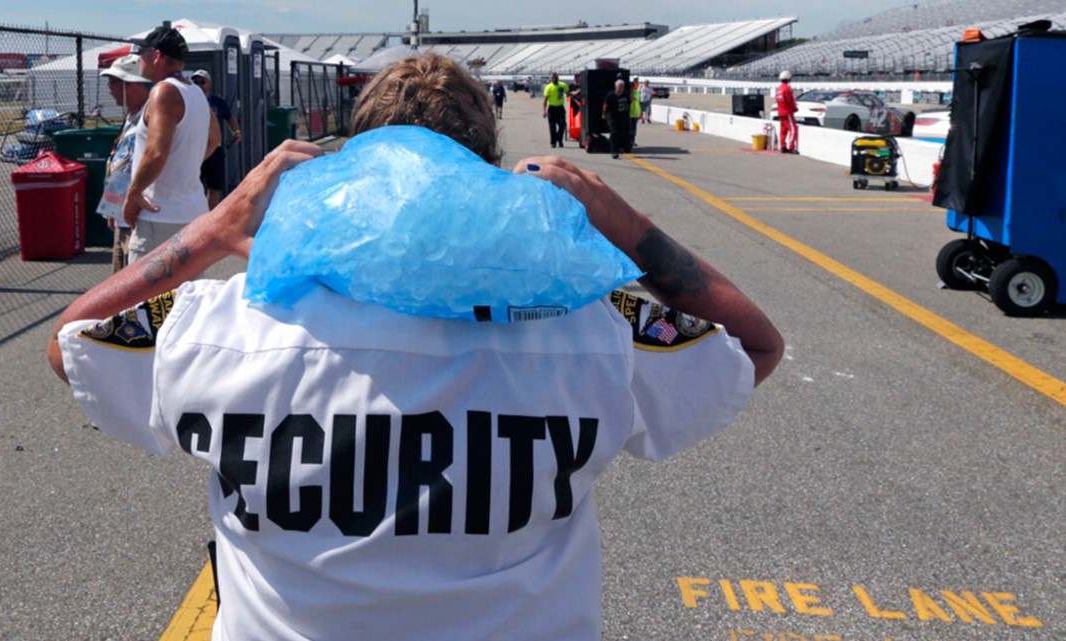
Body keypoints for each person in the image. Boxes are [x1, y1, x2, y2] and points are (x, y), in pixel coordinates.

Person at [47, 53, 783, 641]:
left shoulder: (223, 321)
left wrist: (212, 230)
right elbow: (753, 343)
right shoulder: (595, 326)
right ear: (488, 172)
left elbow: (69, 342)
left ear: (353, 164)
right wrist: (619, 219)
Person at [122, 25, 211, 264]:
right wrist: (184, 164)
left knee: (147, 299)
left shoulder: (164, 92)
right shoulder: (196, 93)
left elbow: (156, 152)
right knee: (183, 297)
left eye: (142, 55)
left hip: (160, 217)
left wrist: (133, 194)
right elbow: (215, 140)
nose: (139, 61)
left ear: (157, 56)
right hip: (192, 212)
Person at [96, 54, 152, 273]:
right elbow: (121, 164)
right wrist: (112, 207)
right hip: (122, 213)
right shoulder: (132, 116)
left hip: (137, 214)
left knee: (132, 280)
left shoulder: (149, 116)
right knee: (119, 275)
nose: (110, 90)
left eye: (113, 83)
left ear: (132, 84)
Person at [192, 69, 242, 208]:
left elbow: (230, 117)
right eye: (195, 82)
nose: (199, 85)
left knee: (214, 186)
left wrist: (236, 132)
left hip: (215, 148)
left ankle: (211, 214)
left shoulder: (217, 101)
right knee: (196, 185)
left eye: (202, 82)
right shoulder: (189, 101)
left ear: (209, 84)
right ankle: (197, 214)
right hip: (196, 149)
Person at [602, 78, 631, 159]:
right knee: (614, 131)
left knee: (623, 132)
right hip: (611, 115)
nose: (621, 88)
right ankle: (614, 151)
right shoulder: (610, 95)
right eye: (620, 87)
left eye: (622, 87)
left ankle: (625, 147)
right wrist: (603, 114)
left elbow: (628, 104)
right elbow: (605, 105)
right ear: (616, 87)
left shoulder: (625, 95)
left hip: (622, 116)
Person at [541, 72, 568, 148]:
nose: (554, 79)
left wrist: (576, 93)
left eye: (555, 77)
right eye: (553, 78)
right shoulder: (548, 87)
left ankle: (559, 140)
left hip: (560, 108)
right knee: (552, 127)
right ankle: (553, 142)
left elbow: (568, 93)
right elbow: (545, 100)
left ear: (558, 78)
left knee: (562, 125)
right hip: (552, 109)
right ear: (551, 79)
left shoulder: (563, 85)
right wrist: (544, 111)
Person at [775, 70, 799, 154]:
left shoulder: (778, 89)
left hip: (780, 111)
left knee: (783, 130)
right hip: (787, 112)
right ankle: (791, 147)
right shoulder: (787, 88)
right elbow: (790, 100)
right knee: (793, 129)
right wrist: (795, 108)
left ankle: (783, 146)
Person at [629, 78, 642, 149]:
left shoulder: (636, 92)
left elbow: (635, 99)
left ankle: (632, 140)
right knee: (630, 129)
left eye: (632, 87)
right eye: (630, 87)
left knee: (633, 129)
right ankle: (630, 141)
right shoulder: (628, 93)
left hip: (635, 113)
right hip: (630, 114)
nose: (631, 89)